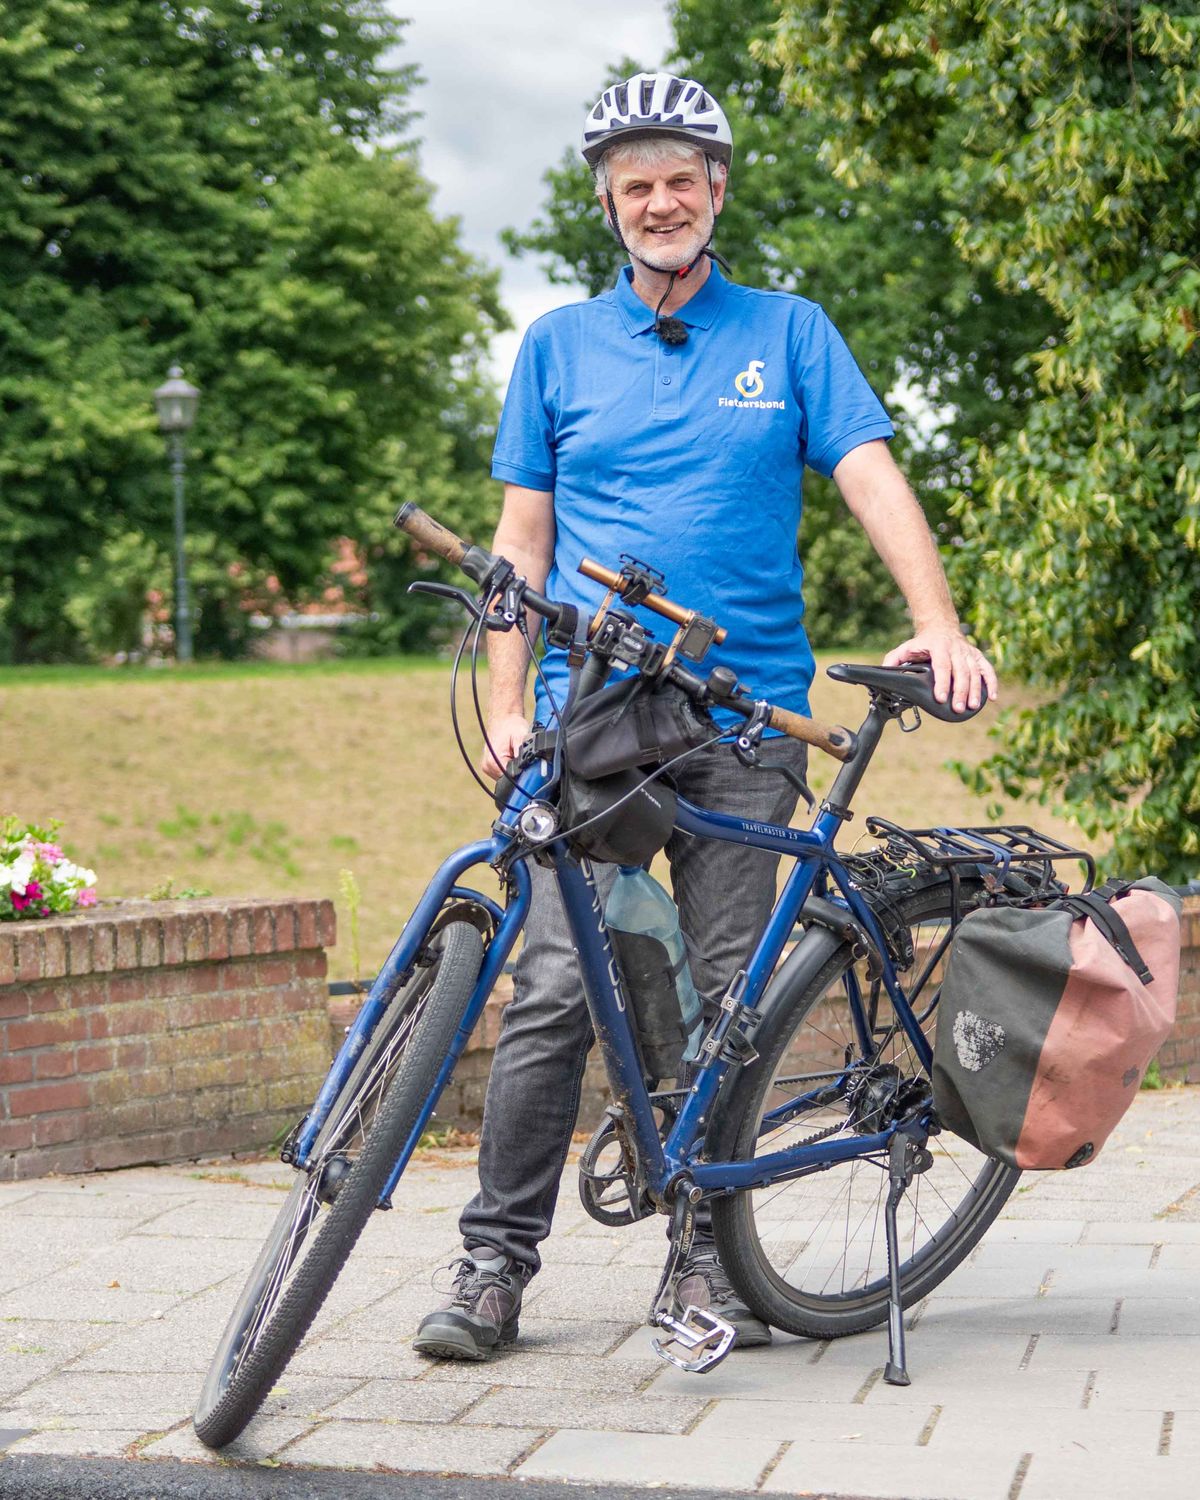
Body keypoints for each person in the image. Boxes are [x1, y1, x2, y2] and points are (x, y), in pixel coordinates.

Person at [413, 70, 998, 1362]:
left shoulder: (789, 332)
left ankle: (704, 1260)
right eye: (637, 186)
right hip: (599, 718)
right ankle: (492, 1269)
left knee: (731, 991)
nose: (660, 201)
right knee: (560, 985)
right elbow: (523, 540)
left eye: (682, 179)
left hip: (748, 724)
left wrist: (939, 621)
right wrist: (509, 704)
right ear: (610, 206)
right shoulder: (559, 345)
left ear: (717, 192)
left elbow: (869, 474)